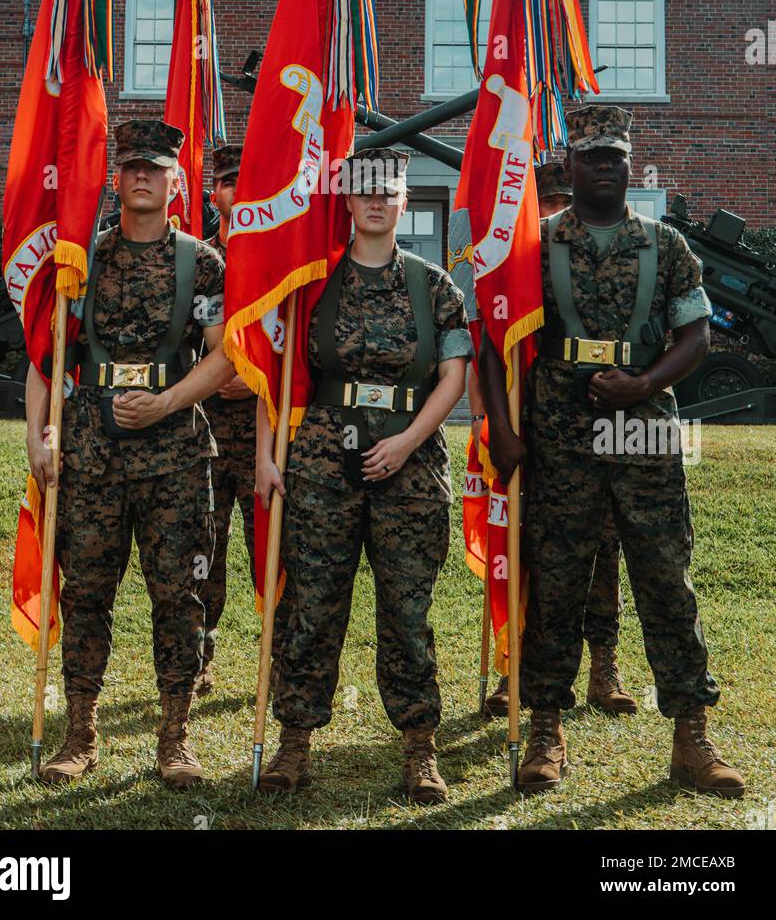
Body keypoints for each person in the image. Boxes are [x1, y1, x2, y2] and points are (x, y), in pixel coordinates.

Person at [479, 104, 745, 798]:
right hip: (559, 433)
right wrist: (504, 432)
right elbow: (492, 341)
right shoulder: (534, 246)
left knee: (665, 580)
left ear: (629, 164)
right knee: (558, 582)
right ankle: (546, 730)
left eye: (616, 156)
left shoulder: (665, 245)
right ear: (569, 165)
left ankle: (691, 736)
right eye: (592, 155)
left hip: (646, 429)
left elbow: (698, 336)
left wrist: (645, 383)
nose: (604, 166)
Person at [255, 147, 473, 804]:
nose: (377, 201)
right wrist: (268, 454)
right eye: (364, 192)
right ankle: (294, 743)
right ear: (347, 201)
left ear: (405, 201)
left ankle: (418, 746)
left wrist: (408, 442)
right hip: (325, 456)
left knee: (408, 611)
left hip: (409, 457)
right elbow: (280, 373)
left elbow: (453, 377)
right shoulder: (311, 283)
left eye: (390, 191)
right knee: (313, 605)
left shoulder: (434, 285)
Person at [25, 119, 236, 790]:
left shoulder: (202, 262)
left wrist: (170, 402)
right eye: (129, 167)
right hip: (90, 448)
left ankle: (175, 740)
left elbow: (227, 355)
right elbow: (44, 356)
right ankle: (79, 734)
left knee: (179, 595)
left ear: (178, 182)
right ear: (113, 179)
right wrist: (38, 434)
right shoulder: (79, 259)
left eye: (155, 167)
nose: (141, 176)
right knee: (86, 593)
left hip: (175, 450)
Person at [475, 159, 636, 719]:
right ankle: (511, 665)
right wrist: (495, 425)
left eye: (560, 200)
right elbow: (490, 346)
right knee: (525, 553)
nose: (553, 211)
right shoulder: (521, 265)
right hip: (536, 429)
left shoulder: (604, 258)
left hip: (605, 425)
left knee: (605, 549)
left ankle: (603, 665)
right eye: (543, 202)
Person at [194, 143, 289, 696]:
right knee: (203, 546)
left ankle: (277, 657)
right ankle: (200, 652)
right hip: (204, 428)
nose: (237, 190)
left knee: (271, 547)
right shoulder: (198, 261)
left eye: (247, 180)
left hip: (264, 428)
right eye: (229, 181)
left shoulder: (280, 258)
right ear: (216, 195)